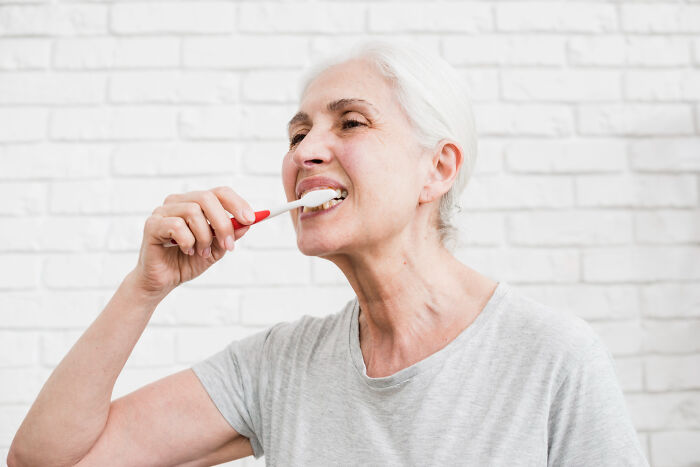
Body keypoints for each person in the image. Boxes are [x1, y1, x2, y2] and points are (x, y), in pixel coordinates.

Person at [8, 40, 648, 466]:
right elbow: (46, 463)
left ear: (437, 170)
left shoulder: (551, 356)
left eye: (351, 122)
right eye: (298, 132)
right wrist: (143, 288)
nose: (305, 151)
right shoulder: (278, 367)